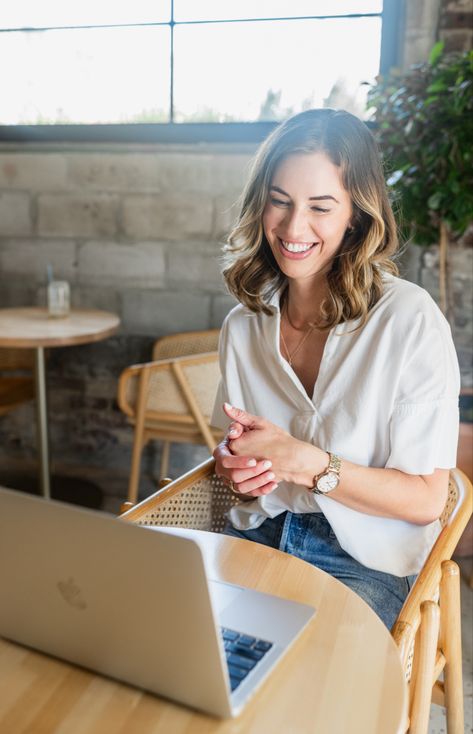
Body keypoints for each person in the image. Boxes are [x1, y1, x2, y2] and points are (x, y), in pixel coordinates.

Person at [211, 108, 460, 630]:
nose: (293, 227)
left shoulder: (409, 321)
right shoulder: (243, 325)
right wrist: (235, 467)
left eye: (320, 208)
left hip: (365, 561)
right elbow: (235, 463)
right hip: (259, 533)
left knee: (303, 689)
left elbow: (426, 499)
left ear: (357, 215)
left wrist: (310, 463)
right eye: (279, 202)